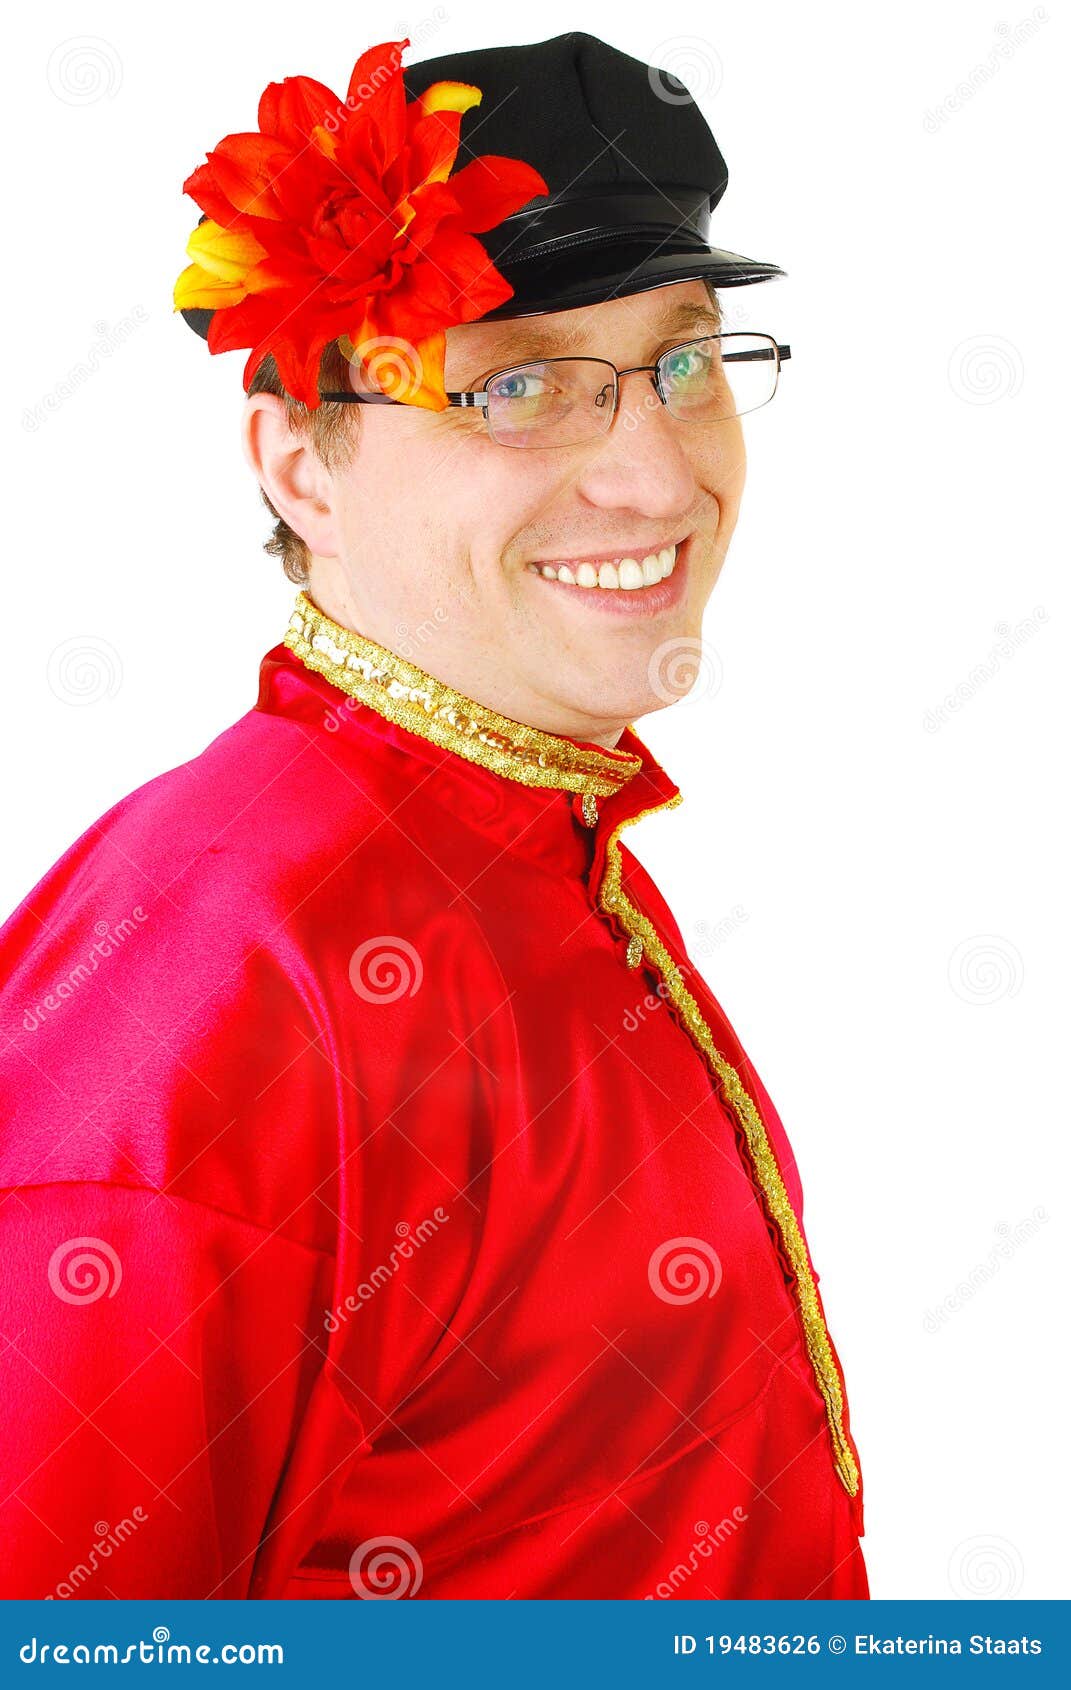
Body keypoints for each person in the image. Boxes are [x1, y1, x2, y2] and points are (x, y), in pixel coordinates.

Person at [0, 31, 867, 1600]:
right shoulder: (216, 973)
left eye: (683, 360)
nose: (656, 472)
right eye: (519, 384)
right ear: (299, 462)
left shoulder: (538, 835)